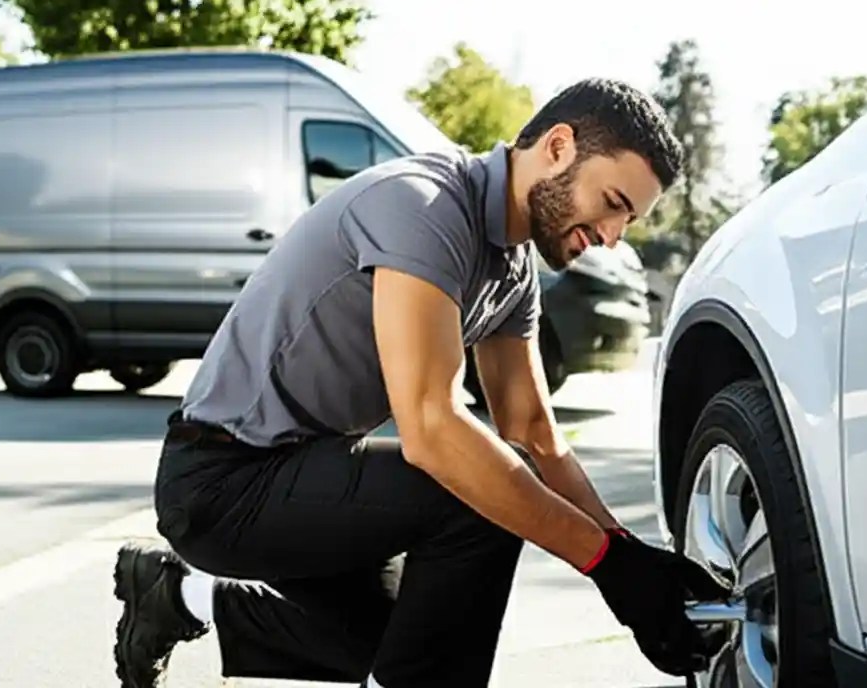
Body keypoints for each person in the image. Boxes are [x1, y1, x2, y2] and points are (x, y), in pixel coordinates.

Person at [111, 77, 731, 688]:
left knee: (404, 635)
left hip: (306, 469)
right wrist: (603, 561)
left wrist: (625, 555)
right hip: (223, 480)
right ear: (558, 147)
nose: (613, 236)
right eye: (614, 203)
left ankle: (175, 596)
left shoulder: (512, 270)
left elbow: (533, 433)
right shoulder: (424, 206)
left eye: (629, 220)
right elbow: (433, 429)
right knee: (476, 498)